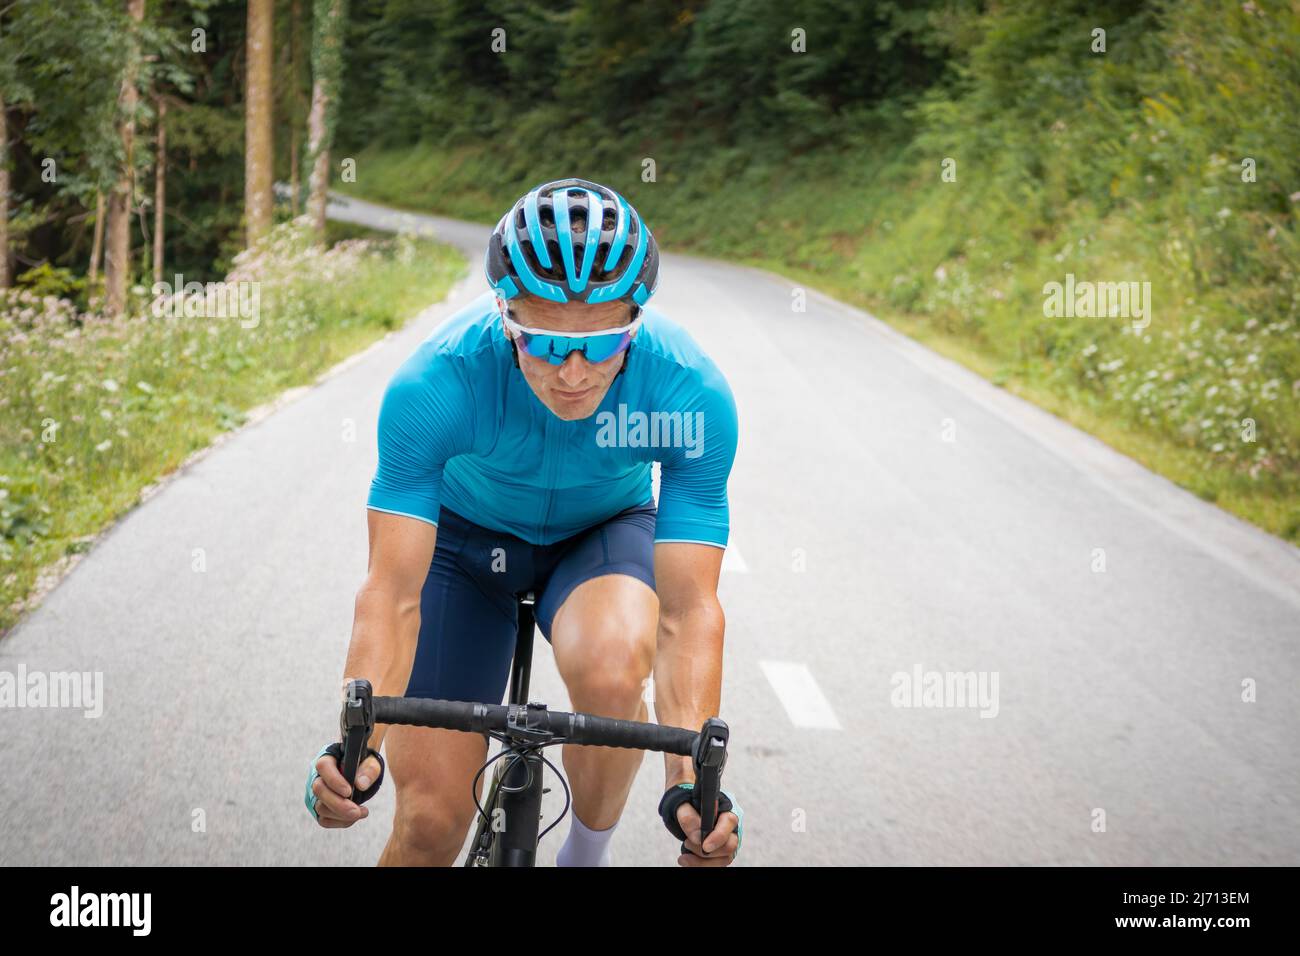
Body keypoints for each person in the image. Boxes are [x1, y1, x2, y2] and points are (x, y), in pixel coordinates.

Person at [305, 177, 741, 866]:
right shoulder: (438, 383)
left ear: (637, 319)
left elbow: (688, 614)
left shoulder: (689, 391)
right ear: (505, 316)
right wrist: (355, 752)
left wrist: (693, 789)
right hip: (462, 549)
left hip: (598, 538)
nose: (572, 371)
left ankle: (584, 857)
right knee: (428, 827)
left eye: (601, 344)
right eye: (542, 340)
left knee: (611, 663)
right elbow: (391, 594)